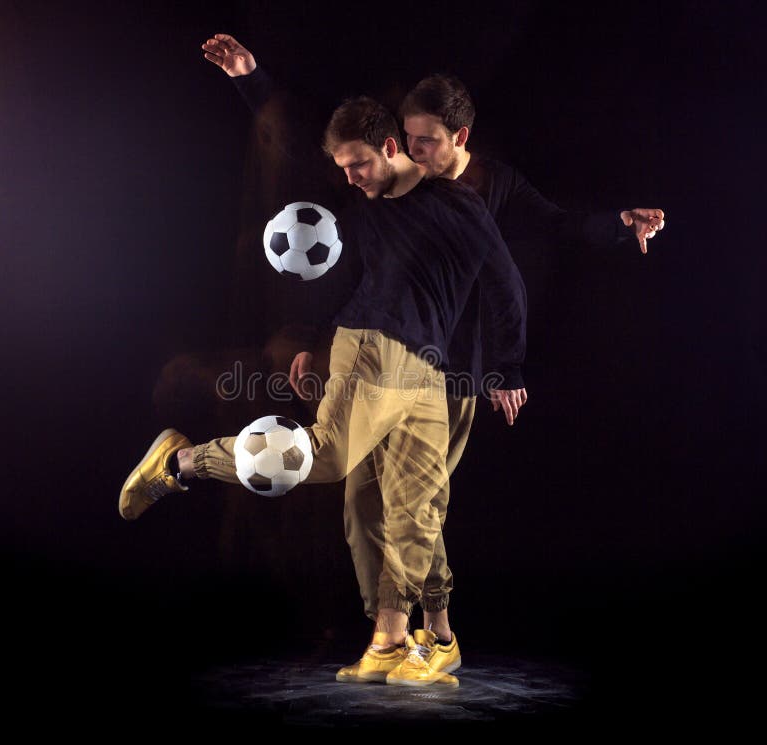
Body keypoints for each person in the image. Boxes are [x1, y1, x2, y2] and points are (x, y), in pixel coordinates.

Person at [199, 33, 667, 681]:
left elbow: (554, 230)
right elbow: (361, 272)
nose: (414, 152)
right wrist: (315, 343)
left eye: (427, 141)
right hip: (382, 362)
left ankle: (426, 635)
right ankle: (403, 635)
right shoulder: (391, 190)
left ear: (461, 137)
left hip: (453, 374)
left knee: (413, 504)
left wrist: (618, 227)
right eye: (408, 140)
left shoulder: (491, 190)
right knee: (359, 501)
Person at [120, 95, 527, 688]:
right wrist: (250, 79)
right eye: (341, 168)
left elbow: (505, 282)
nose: (349, 177)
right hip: (372, 350)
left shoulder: (457, 205)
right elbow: (296, 167)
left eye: (357, 164)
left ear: (390, 148)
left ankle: (396, 639)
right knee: (331, 461)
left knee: (418, 509)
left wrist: (510, 369)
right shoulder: (363, 203)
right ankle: (182, 461)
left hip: (431, 375)